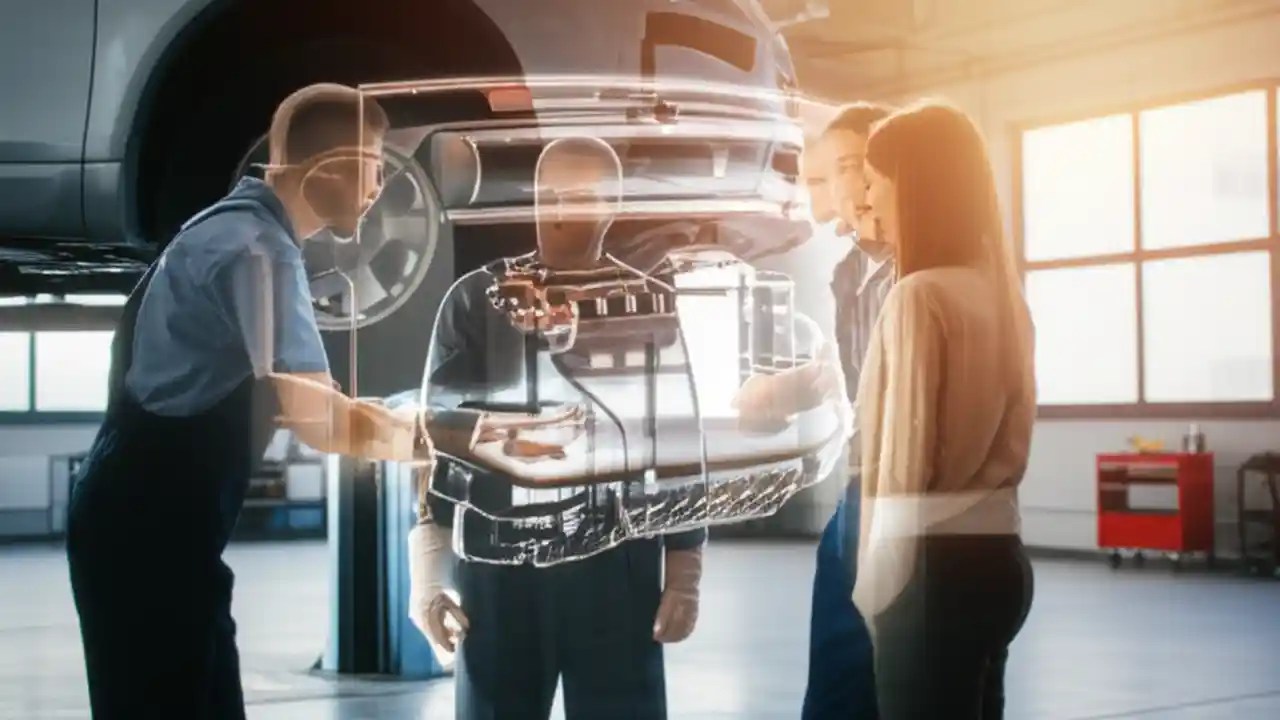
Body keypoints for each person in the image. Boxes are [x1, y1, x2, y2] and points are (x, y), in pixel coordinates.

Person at [65, 84, 422, 719]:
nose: (378, 189)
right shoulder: (259, 252)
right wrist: (445, 439)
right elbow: (321, 422)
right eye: (373, 167)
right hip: (149, 538)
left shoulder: (225, 228)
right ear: (329, 167)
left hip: (149, 530)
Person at [407, 136, 705, 720]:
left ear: (614, 203)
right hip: (498, 566)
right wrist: (428, 574)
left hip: (618, 564)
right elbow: (436, 441)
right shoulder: (474, 301)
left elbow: (678, 439)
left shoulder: (646, 304)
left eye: (582, 196)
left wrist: (685, 572)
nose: (562, 210)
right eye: (550, 194)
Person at [852, 101, 1036, 719]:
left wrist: (876, 591)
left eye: (875, 182)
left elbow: (902, 463)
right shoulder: (1003, 295)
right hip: (1002, 559)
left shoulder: (917, 297)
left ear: (912, 185)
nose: (867, 201)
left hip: (931, 568)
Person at [799, 102, 894, 720]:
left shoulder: (926, 279)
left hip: (907, 499)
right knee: (837, 681)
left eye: (855, 166)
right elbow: (856, 379)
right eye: (825, 174)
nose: (844, 188)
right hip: (860, 490)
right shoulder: (847, 275)